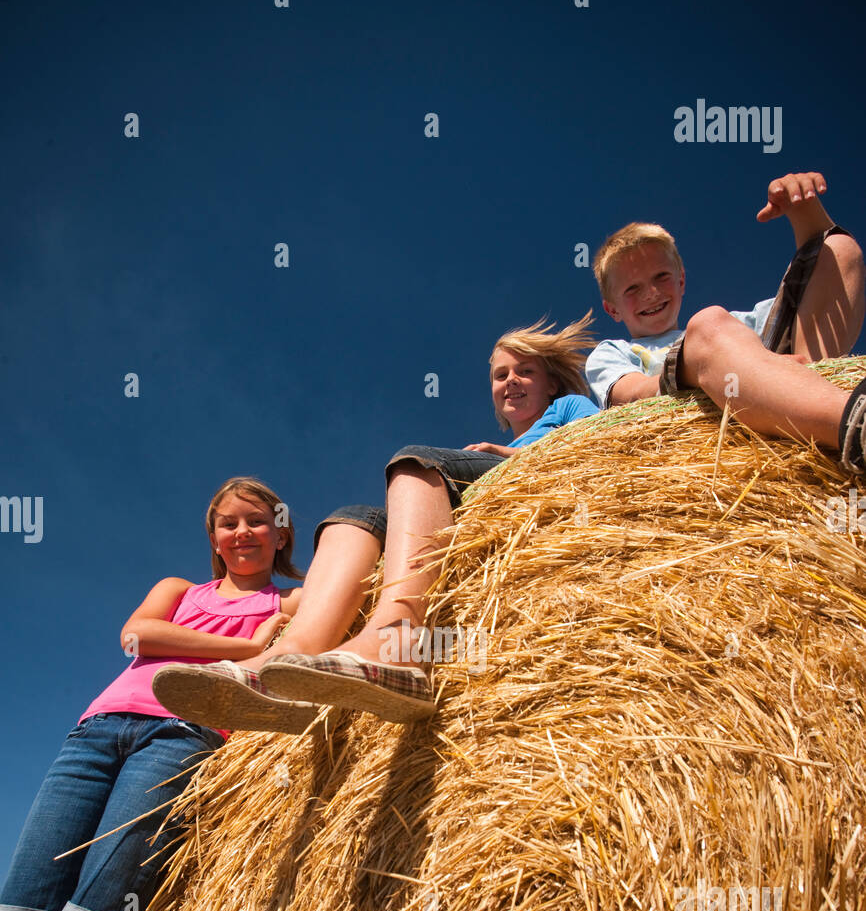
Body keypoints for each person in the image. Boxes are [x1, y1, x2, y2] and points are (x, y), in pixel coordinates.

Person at [0, 478, 384, 911]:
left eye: (258, 522)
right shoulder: (180, 590)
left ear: (282, 532)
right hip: (98, 731)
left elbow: (352, 583)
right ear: (213, 538)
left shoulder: (293, 605)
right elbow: (140, 636)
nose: (242, 533)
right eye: (228, 523)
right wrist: (246, 651)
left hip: (185, 737)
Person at [155, 316, 599, 729]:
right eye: (500, 375)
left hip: (526, 486)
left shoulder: (567, 409)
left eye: (525, 371)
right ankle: (291, 660)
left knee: (415, 463)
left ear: (552, 384)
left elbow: (596, 442)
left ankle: (398, 641)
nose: (511, 382)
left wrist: (511, 455)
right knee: (351, 520)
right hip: (462, 516)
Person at [584, 171, 866, 473]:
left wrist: (803, 210)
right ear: (611, 309)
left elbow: (812, 299)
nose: (651, 293)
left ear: (681, 281)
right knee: (707, 326)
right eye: (632, 289)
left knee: (840, 248)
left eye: (661, 277)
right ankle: (853, 425)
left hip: (792, 375)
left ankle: (811, 409)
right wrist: (702, 371)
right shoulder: (612, 351)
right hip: (697, 411)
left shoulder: (735, 325)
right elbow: (632, 395)